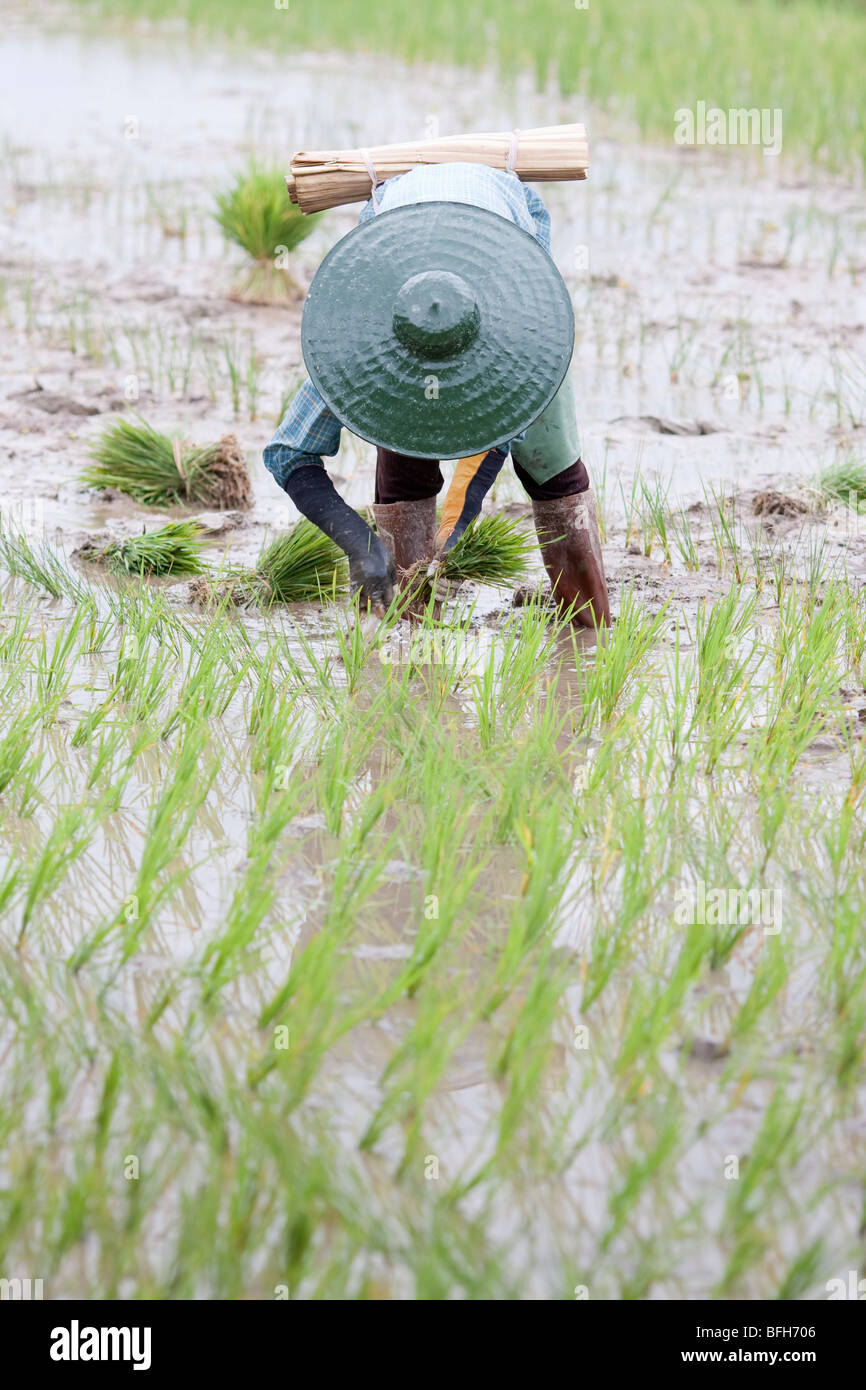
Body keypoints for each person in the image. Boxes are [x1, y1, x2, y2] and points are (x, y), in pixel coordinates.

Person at [264, 161, 610, 627]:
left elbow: (490, 452)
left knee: (551, 465)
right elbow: (287, 453)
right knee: (404, 450)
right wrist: (361, 545)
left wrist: (448, 546)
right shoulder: (355, 356)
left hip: (510, 232)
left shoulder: (518, 348)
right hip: (393, 232)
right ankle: (404, 632)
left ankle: (588, 626)